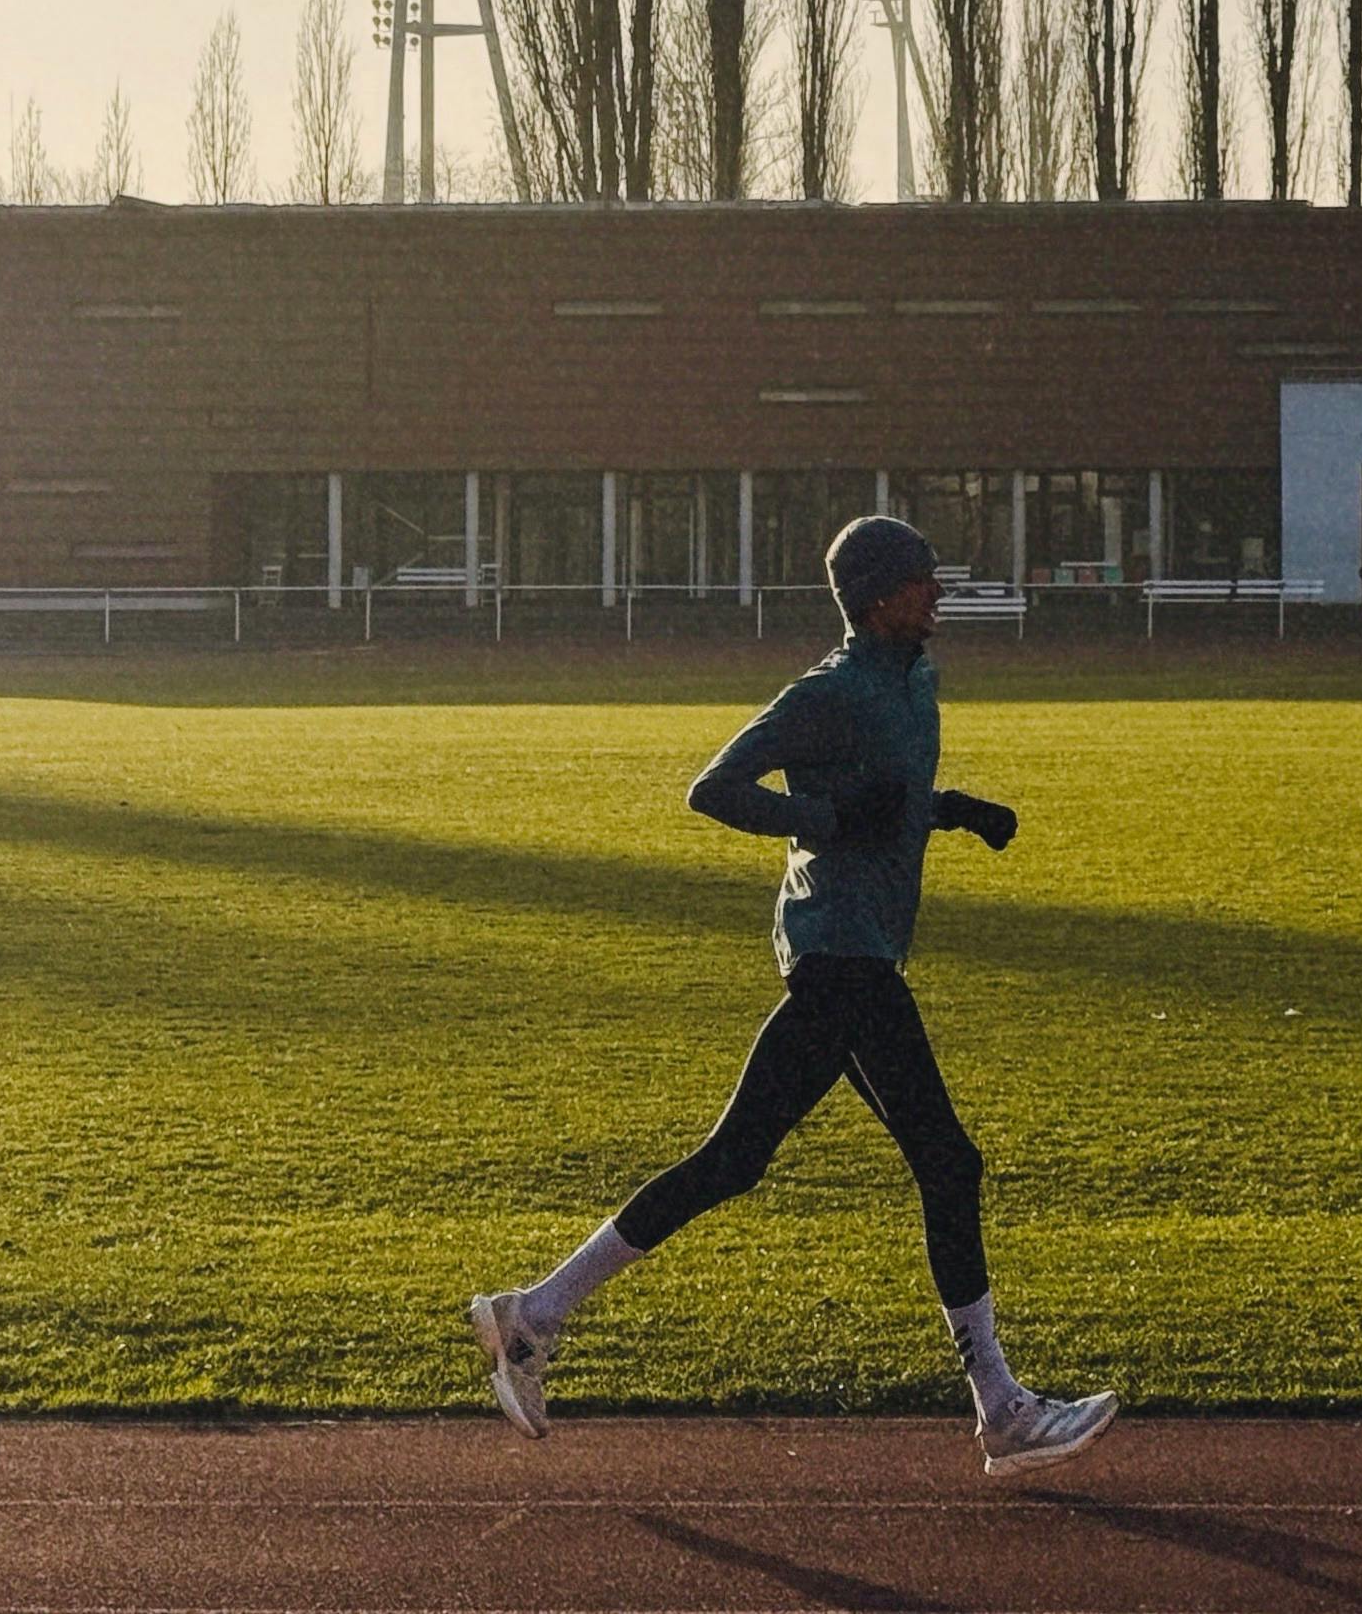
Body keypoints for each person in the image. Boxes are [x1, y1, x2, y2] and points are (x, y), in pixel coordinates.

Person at [468, 516, 1116, 1478]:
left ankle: (532, 1313)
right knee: (949, 1162)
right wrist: (822, 816)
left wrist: (952, 811)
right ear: (876, 596)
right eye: (922, 582)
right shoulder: (828, 691)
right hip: (836, 953)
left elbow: (885, 798)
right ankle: (1002, 1410)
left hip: (865, 953)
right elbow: (713, 788)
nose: (938, 595)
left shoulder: (916, 681)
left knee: (733, 1161)